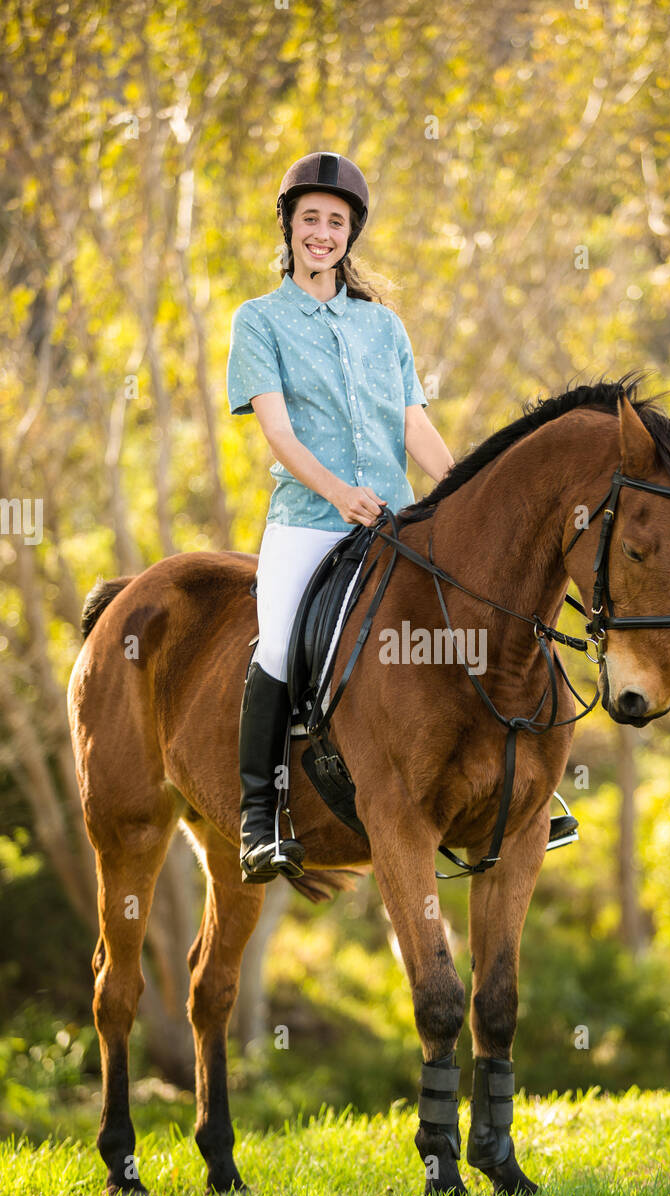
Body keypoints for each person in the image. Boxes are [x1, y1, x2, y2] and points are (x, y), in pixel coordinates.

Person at [227, 151, 454, 883]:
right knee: (277, 647)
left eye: (335, 221)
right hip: (308, 520)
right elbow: (279, 434)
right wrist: (337, 494)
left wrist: (460, 489)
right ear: (290, 227)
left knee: (474, 615)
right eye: (310, 219)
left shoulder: (383, 328)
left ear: (350, 234)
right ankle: (257, 821)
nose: (321, 233)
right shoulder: (258, 321)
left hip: (394, 520)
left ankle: (518, 793)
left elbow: (414, 427)